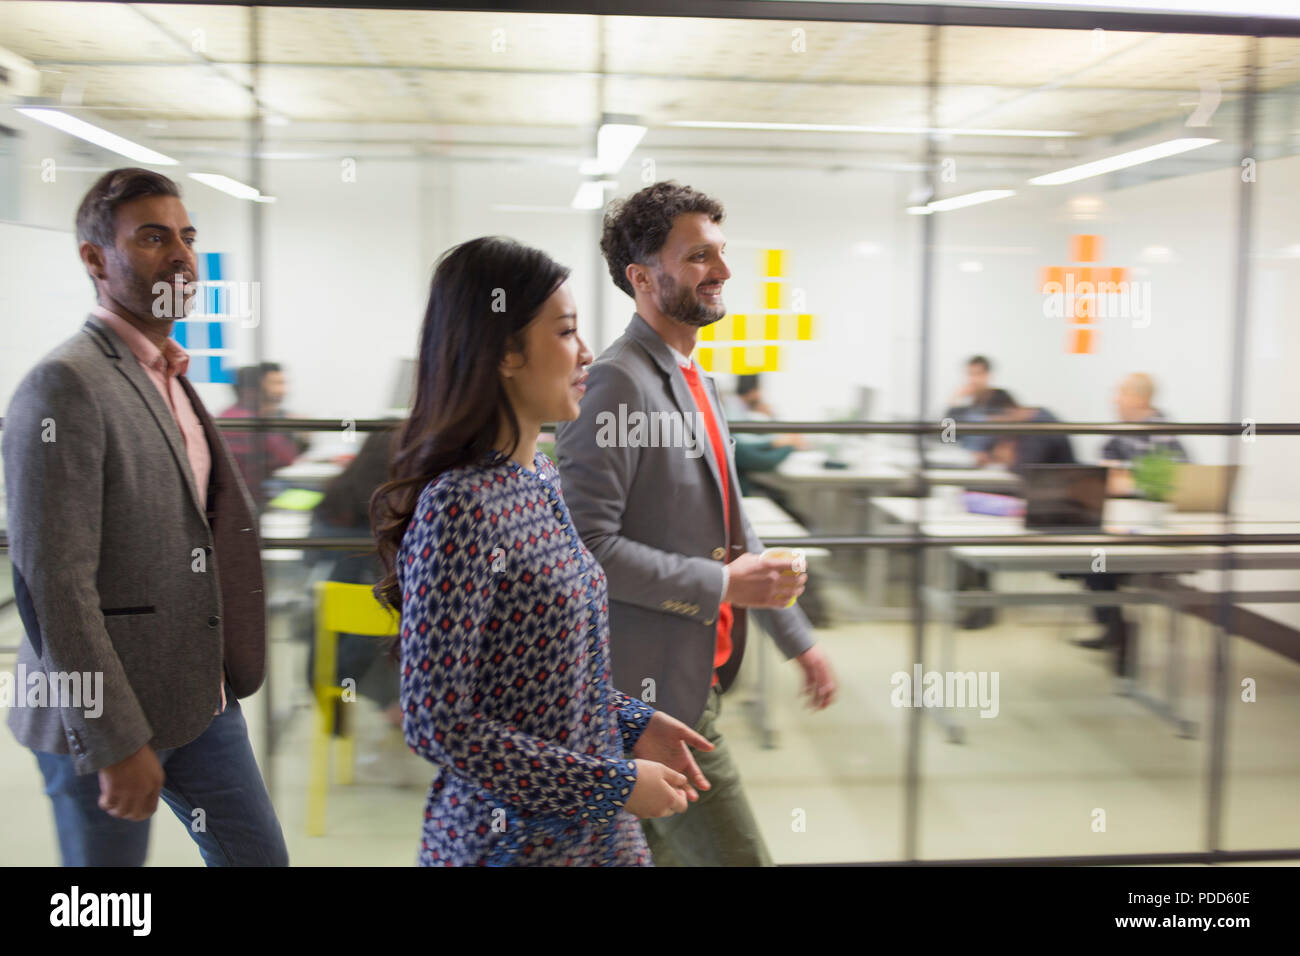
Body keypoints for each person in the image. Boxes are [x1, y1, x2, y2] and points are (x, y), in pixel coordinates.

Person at [370, 236, 714, 867]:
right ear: (504, 353)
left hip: (588, 834)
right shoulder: (461, 507)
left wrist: (635, 722)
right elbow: (436, 721)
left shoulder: (540, 478)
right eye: (565, 333)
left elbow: (540, 678)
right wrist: (611, 784)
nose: (586, 354)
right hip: (508, 847)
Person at [1, 167, 288, 866]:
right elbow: (54, 585)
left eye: (187, 237)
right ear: (95, 260)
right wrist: (114, 739)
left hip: (198, 698)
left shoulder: (168, 374)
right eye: (154, 238)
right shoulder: (64, 383)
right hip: (101, 712)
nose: (182, 256)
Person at [555, 181, 838, 867]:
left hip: (694, 675)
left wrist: (796, 637)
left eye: (720, 253)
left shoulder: (696, 381)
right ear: (642, 277)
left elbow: (737, 529)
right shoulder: (617, 382)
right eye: (699, 256)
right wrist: (720, 585)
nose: (722, 271)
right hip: (641, 694)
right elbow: (587, 548)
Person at [1072, 373, 1190, 673]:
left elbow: (1175, 482)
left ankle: (1116, 628)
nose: (1114, 399)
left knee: (1099, 563)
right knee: (1091, 559)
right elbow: (1106, 478)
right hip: (1120, 521)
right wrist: (1130, 479)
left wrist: (1128, 479)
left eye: (1120, 393)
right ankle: (1115, 627)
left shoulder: (1165, 434)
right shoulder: (1119, 434)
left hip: (1156, 526)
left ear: (1141, 398)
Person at [219, 362, 309, 509]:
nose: (282, 390)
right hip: (257, 498)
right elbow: (286, 457)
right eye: (275, 383)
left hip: (254, 493)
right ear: (254, 389)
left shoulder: (235, 414)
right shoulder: (247, 420)